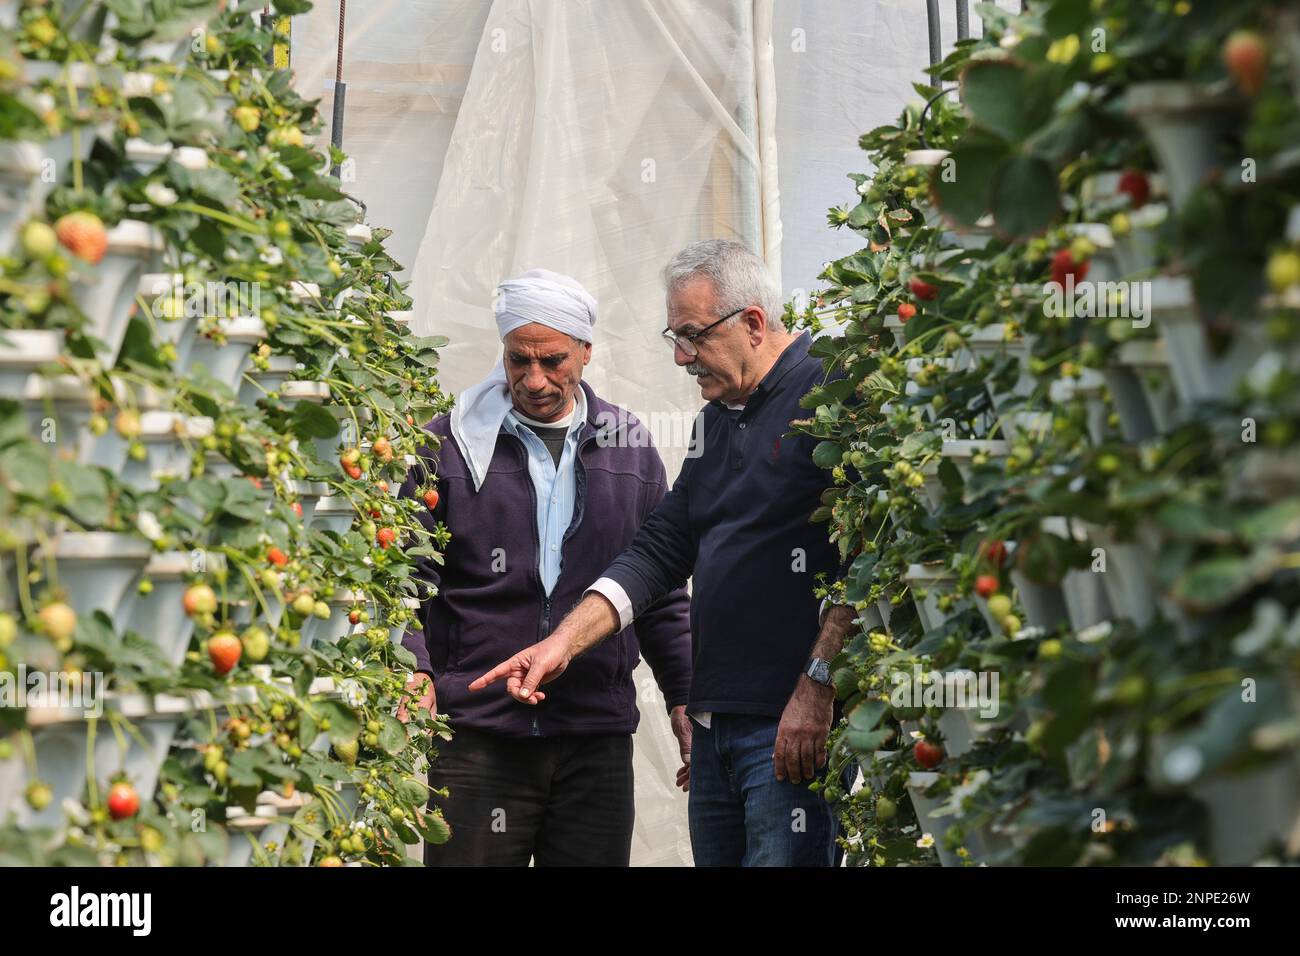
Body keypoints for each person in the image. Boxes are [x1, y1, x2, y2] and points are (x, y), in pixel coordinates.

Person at [471, 240, 857, 867]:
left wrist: (819, 685)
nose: (681, 356)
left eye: (692, 335)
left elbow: (865, 559)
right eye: (673, 336)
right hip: (717, 726)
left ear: (752, 324)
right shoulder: (718, 419)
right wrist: (563, 643)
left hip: (787, 724)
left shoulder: (830, 395)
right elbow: (659, 551)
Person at [398, 268, 693, 867]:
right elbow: (402, 580)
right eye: (517, 361)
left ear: (586, 351)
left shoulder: (628, 447)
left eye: (553, 360)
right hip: (478, 737)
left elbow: (658, 591)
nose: (534, 380)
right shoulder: (446, 449)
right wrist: (416, 668)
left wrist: (685, 697)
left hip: (593, 737)